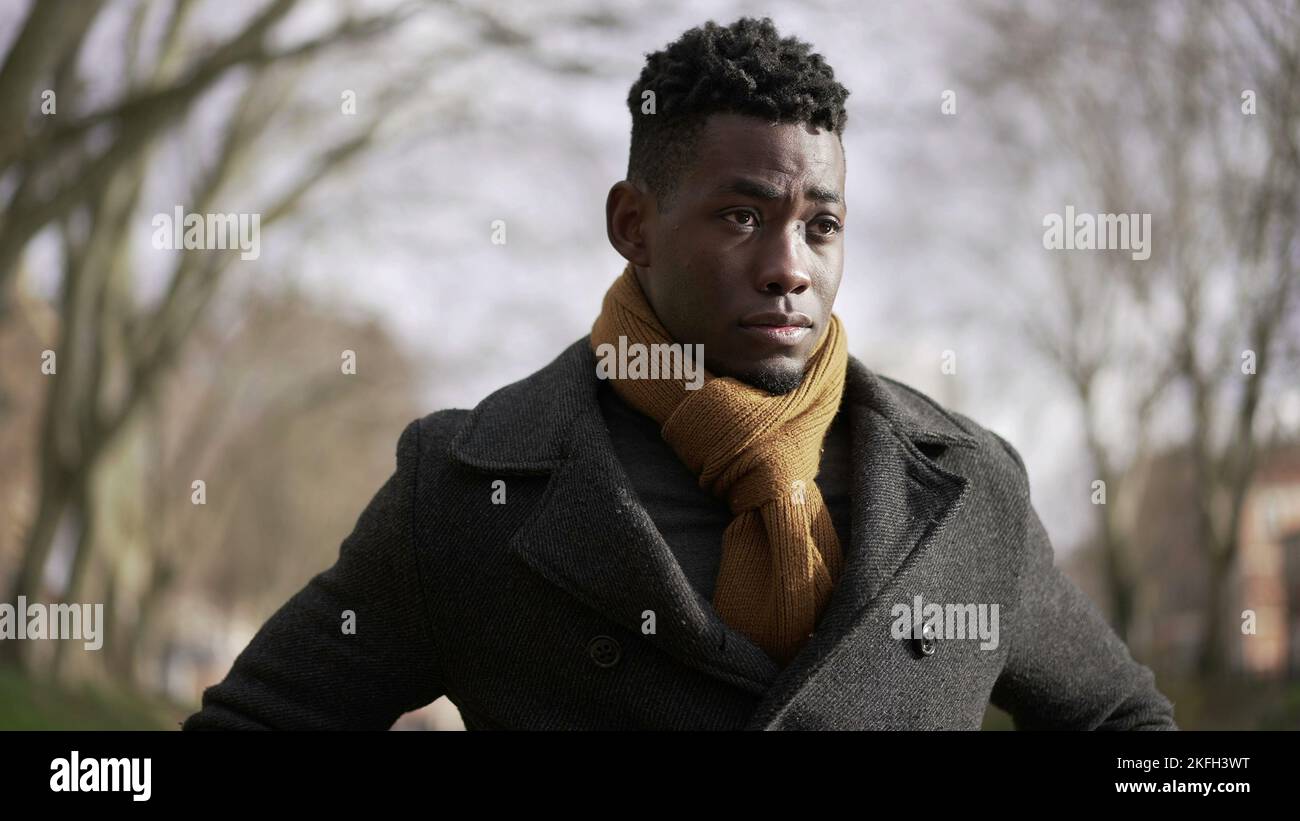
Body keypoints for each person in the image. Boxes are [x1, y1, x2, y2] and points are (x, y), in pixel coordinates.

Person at [184, 16, 1177, 731]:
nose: (792, 263)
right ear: (632, 225)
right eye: (742, 215)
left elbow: (1130, 728)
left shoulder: (968, 496)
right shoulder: (467, 490)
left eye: (821, 224)